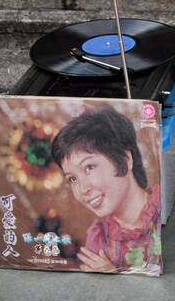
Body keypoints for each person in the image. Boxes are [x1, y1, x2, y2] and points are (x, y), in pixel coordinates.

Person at [50, 107, 161, 274]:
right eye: (72, 179)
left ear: (125, 159)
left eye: (89, 167)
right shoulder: (98, 240)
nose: (83, 189)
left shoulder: (162, 208)